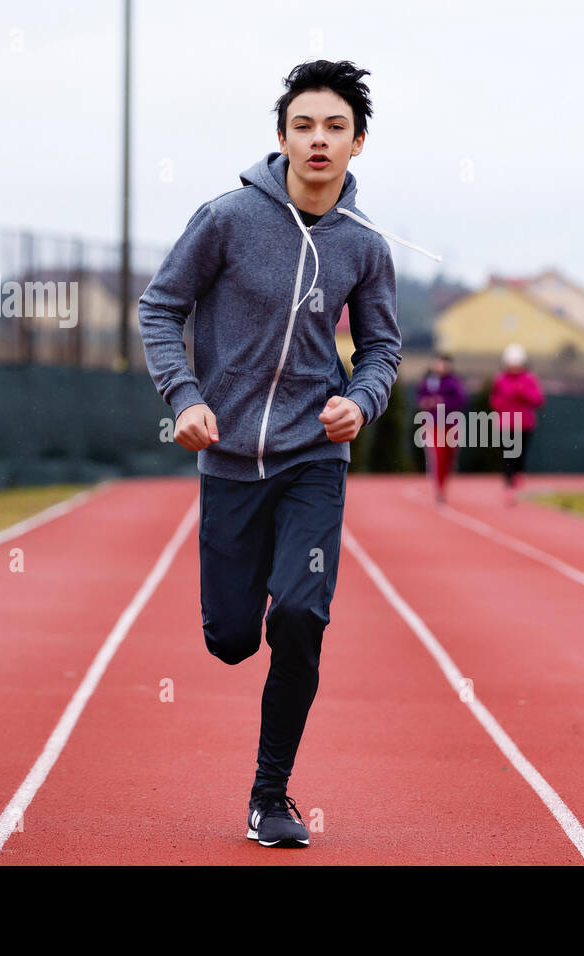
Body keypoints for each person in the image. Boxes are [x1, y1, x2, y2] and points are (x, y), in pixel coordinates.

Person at [137, 59, 439, 848]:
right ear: (281, 137)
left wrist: (361, 401)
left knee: (301, 617)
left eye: (335, 127)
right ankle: (236, 619)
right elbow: (160, 307)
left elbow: (381, 347)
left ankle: (271, 795)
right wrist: (186, 397)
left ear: (357, 144)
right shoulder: (228, 219)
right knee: (232, 638)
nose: (318, 139)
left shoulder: (366, 246)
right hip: (230, 457)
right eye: (303, 124)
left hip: (313, 458)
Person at [488, 343, 544, 506]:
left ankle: (517, 476)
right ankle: (509, 486)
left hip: (524, 423)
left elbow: (538, 400)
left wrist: (523, 394)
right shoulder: (500, 379)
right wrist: (500, 404)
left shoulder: (529, 379)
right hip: (506, 423)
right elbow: (494, 398)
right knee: (508, 455)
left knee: (520, 455)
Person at [415, 353, 467, 503]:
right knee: (437, 455)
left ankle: (443, 484)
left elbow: (461, 400)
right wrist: (426, 403)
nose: (441, 366)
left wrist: (441, 401)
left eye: (444, 363)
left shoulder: (454, 382)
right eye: (438, 363)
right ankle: (439, 487)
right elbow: (420, 399)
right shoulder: (428, 381)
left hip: (451, 424)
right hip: (433, 424)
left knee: (449, 457)